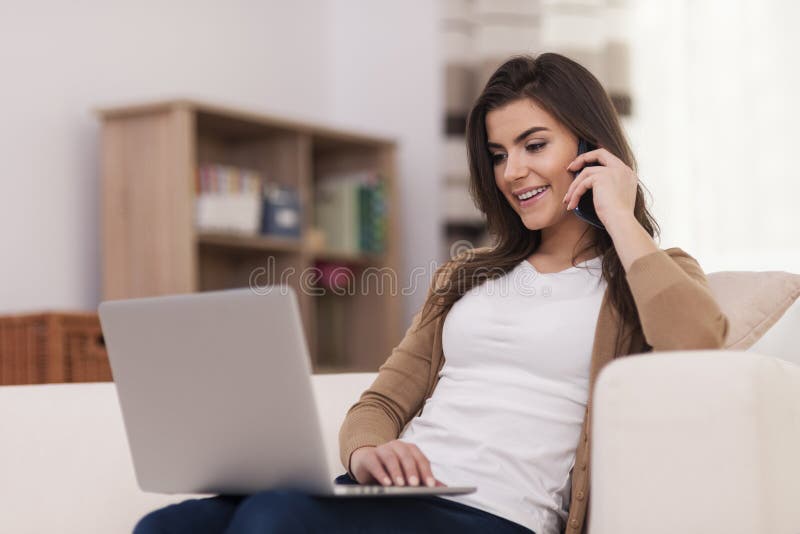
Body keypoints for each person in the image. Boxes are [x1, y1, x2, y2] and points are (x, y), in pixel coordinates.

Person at [134, 53, 729, 534]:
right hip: (389, 499)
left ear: (591, 147)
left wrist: (619, 215)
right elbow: (380, 404)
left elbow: (697, 343)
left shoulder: (647, 273)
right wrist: (366, 453)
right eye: (498, 155)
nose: (512, 172)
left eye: (534, 145)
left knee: (275, 518)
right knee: (168, 527)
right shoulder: (466, 275)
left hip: (497, 514)